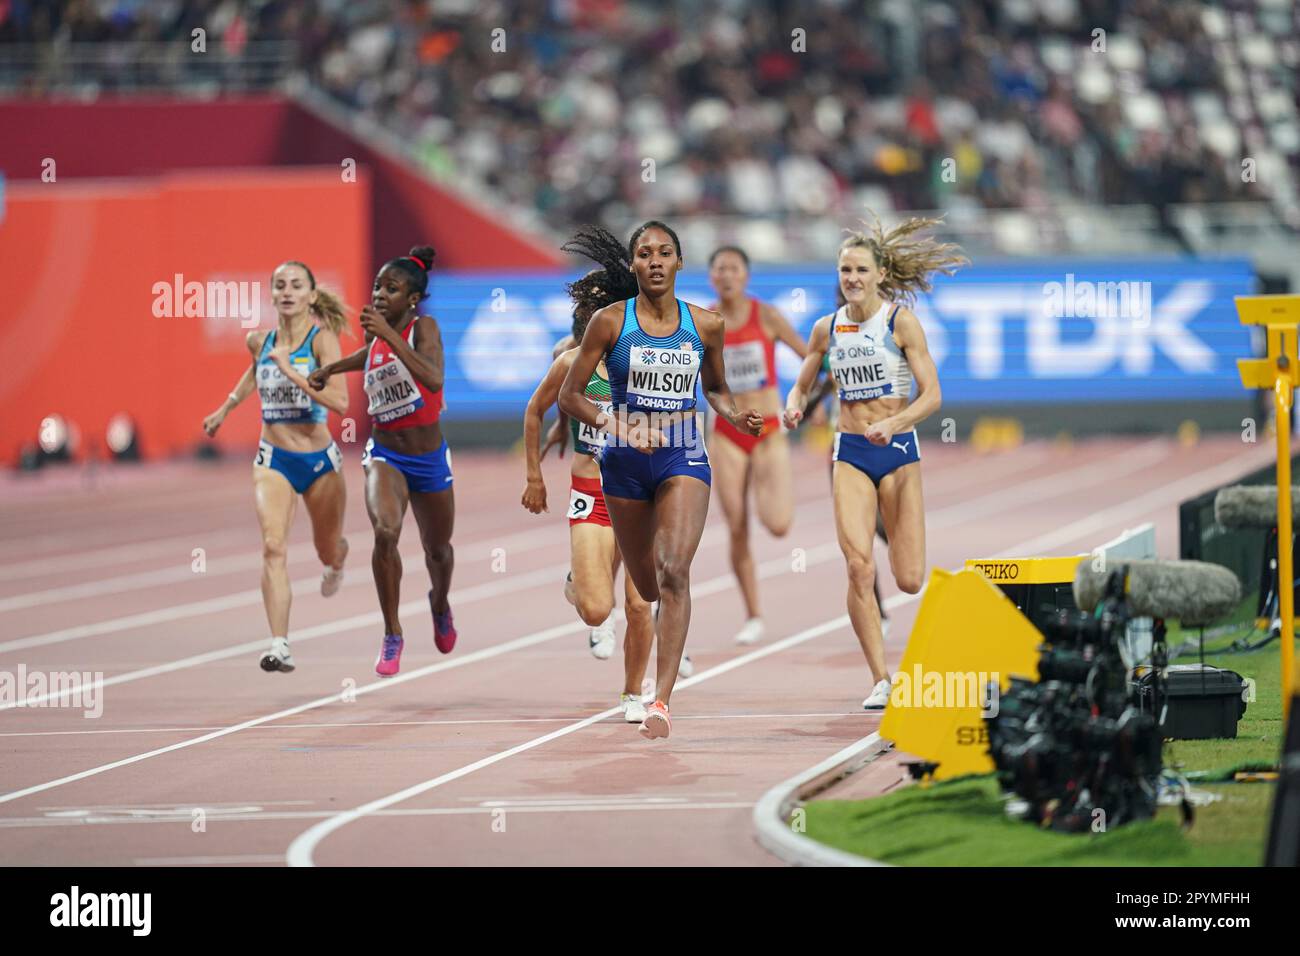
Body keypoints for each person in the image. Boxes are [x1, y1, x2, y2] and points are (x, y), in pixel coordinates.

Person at [559, 220, 763, 739]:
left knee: (674, 572)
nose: (654, 260)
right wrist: (617, 424)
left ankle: (661, 700)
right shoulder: (608, 323)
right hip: (624, 462)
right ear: (633, 265)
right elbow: (571, 396)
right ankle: (584, 579)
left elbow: (716, 388)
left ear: (678, 262)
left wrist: (735, 415)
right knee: (645, 585)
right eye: (644, 253)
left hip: (683, 455)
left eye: (664, 252)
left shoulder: (706, 325)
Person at [784, 216, 966, 710]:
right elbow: (802, 380)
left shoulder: (899, 322)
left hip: (899, 452)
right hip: (852, 453)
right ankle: (880, 678)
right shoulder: (827, 327)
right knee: (859, 566)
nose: (852, 278)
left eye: (861, 269)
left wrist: (897, 421)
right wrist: (795, 404)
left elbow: (934, 396)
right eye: (845, 269)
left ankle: (904, 625)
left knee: (909, 578)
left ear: (880, 273)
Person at [521, 242, 654, 722]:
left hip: (643, 489)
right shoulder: (570, 359)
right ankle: (580, 582)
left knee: (641, 603)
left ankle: (632, 692)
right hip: (592, 492)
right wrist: (535, 475)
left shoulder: (652, 356)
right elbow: (537, 409)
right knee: (598, 610)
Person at [309, 247, 455, 677]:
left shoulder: (423, 328)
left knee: (439, 551)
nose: (379, 295)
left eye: (391, 289)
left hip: (428, 459)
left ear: (411, 299)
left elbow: (433, 377)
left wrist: (389, 336)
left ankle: (439, 603)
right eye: (377, 286)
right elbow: (369, 355)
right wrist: (332, 368)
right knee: (386, 532)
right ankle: (392, 632)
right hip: (386, 454)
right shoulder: (379, 337)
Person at [202, 261, 350, 673]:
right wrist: (225, 409)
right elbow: (254, 374)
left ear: (312, 296)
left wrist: (292, 372)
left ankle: (337, 562)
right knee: (273, 546)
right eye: (280, 285)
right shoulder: (260, 341)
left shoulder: (323, 342)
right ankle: (280, 644)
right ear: (272, 294)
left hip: (319, 462)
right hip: (274, 457)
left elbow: (340, 403)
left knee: (327, 546)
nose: (287, 292)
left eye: (296, 285)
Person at [706, 245, 807, 646]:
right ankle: (752, 614)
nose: (726, 275)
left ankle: (775, 507)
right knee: (736, 525)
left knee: (778, 524)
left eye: (733, 268)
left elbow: (809, 358)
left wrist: (805, 402)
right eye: (719, 269)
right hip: (727, 432)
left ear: (746, 275)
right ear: (712, 276)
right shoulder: (704, 322)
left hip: (767, 429)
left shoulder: (767, 316)